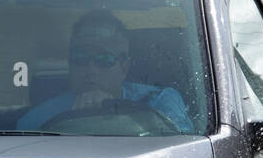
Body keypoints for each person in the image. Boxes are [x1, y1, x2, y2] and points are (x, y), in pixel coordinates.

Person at [17, 10, 192, 133]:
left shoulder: (160, 102)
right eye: (81, 59)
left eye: (104, 60)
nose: (91, 70)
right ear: (70, 63)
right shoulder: (37, 120)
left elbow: (184, 151)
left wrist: (116, 112)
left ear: (124, 68)